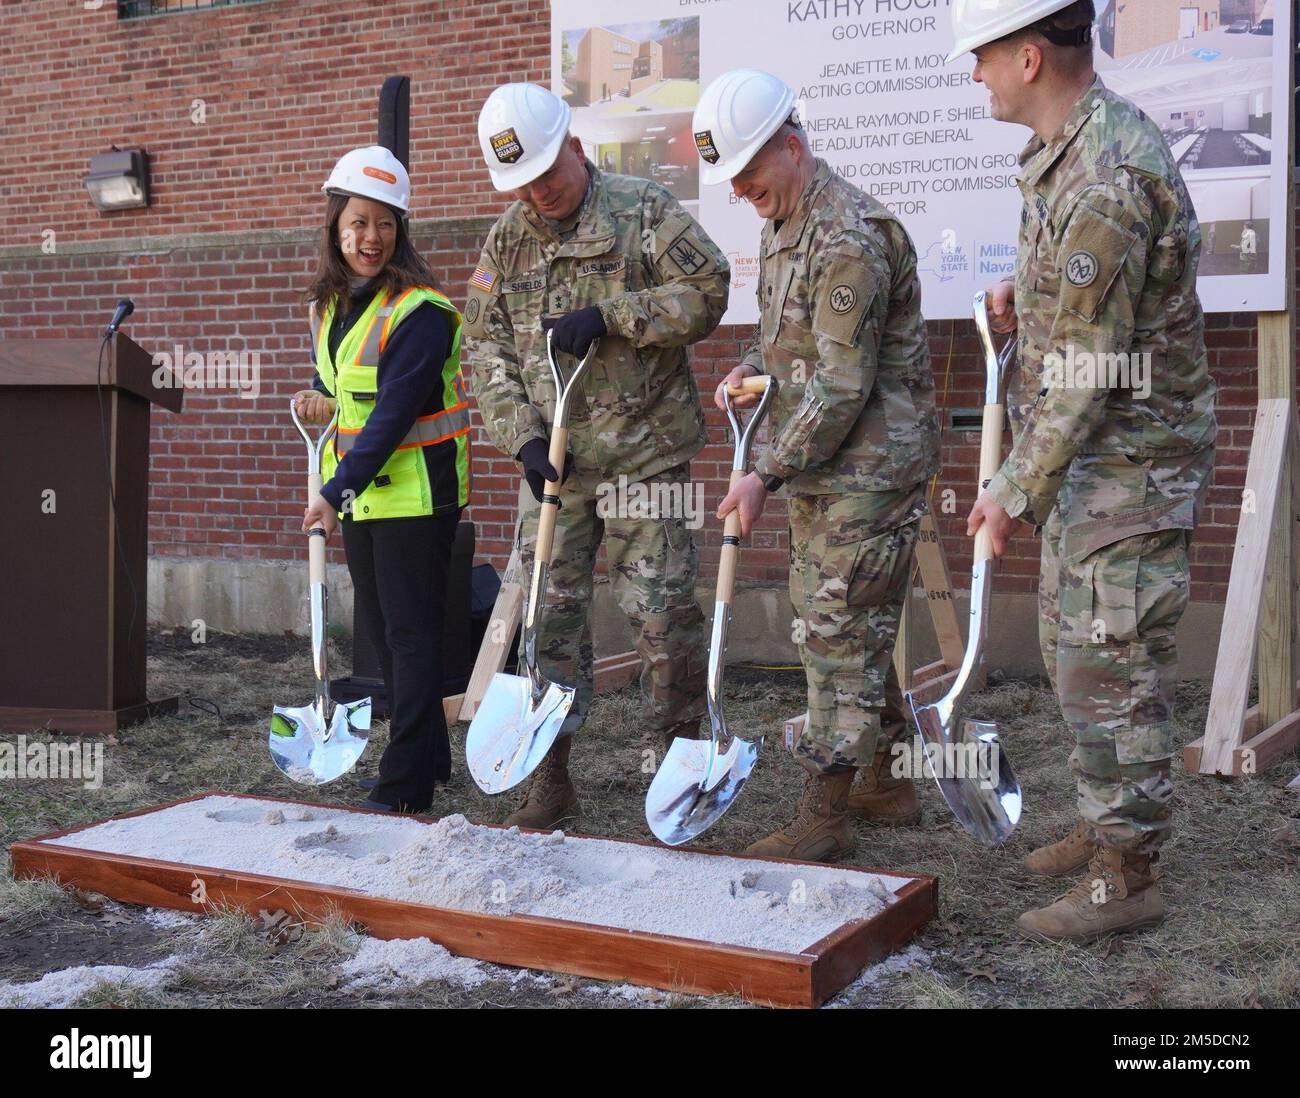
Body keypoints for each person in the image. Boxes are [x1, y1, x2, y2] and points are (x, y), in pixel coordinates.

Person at [952, 0, 1217, 939]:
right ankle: (1106, 821)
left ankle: (1128, 874)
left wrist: (1010, 489)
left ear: (1030, 56)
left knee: (1113, 669)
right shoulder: (1072, 154)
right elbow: (1094, 308)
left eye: (982, 56)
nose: (974, 73)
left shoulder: (1104, 175)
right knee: (1080, 661)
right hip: (1094, 464)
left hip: (1129, 466)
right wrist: (1027, 295)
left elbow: (1095, 367)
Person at [463, 83, 729, 830]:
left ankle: (675, 774)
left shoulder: (643, 210)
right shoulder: (507, 241)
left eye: (548, 171)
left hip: (647, 460)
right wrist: (517, 432)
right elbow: (482, 345)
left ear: (576, 147)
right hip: (556, 473)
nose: (538, 192)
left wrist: (614, 316)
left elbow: (709, 290)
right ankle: (550, 778)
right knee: (549, 620)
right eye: (521, 182)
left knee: (662, 617)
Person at [694, 69, 941, 862]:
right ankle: (889, 779)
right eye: (731, 180)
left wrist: (762, 473)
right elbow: (793, 349)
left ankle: (826, 814)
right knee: (848, 625)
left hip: (869, 470)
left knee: (834, 634)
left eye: (750, 175)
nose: (741, 192)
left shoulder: (847, 240)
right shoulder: (787, 222)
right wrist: (749, 368)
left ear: (791, 148)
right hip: (828, 471)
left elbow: (839, 387)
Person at [294, 145, 471, 814]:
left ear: (402, 230)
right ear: (336, 226)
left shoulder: (421, 313)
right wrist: (316, 398)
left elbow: (394, 415)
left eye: (386, 224)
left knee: (411, 636)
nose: (372, 239)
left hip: (418, 496)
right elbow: (339, 387)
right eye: (359, 223)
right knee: (390, 634)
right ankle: (426, 754)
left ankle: (404, 787)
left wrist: (332, 492)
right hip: (364, 497)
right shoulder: (330, 307)